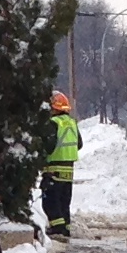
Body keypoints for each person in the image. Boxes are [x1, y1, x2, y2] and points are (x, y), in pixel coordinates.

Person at [41, 90, 81, 238]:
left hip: (54, 169)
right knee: (64, 203)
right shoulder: (72, 123)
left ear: (53, 108)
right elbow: (79, 144)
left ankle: (57, 231)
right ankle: (65, 228)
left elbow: (49, 146)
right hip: (69, 171)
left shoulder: (54, 123)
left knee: (51, 202)